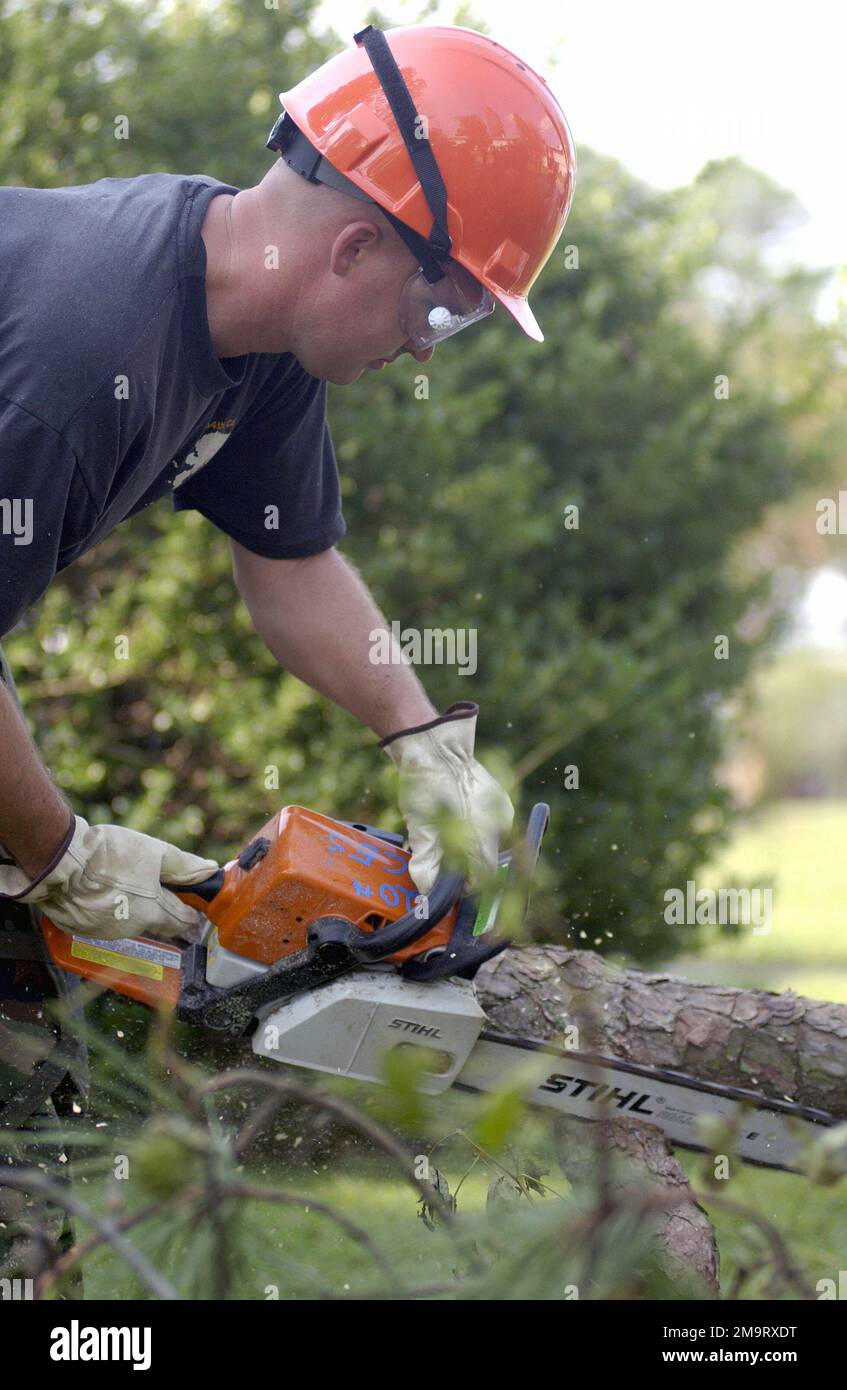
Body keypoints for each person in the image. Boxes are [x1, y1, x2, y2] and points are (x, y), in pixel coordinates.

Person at [0, 22, 575, 1287]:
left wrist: (426, 744)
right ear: (358, 244)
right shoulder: (80, 348)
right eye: (442, 306)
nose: (426, 345)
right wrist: (65, 858)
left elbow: (293, 563)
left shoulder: (251, 349)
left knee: (22, 1088)